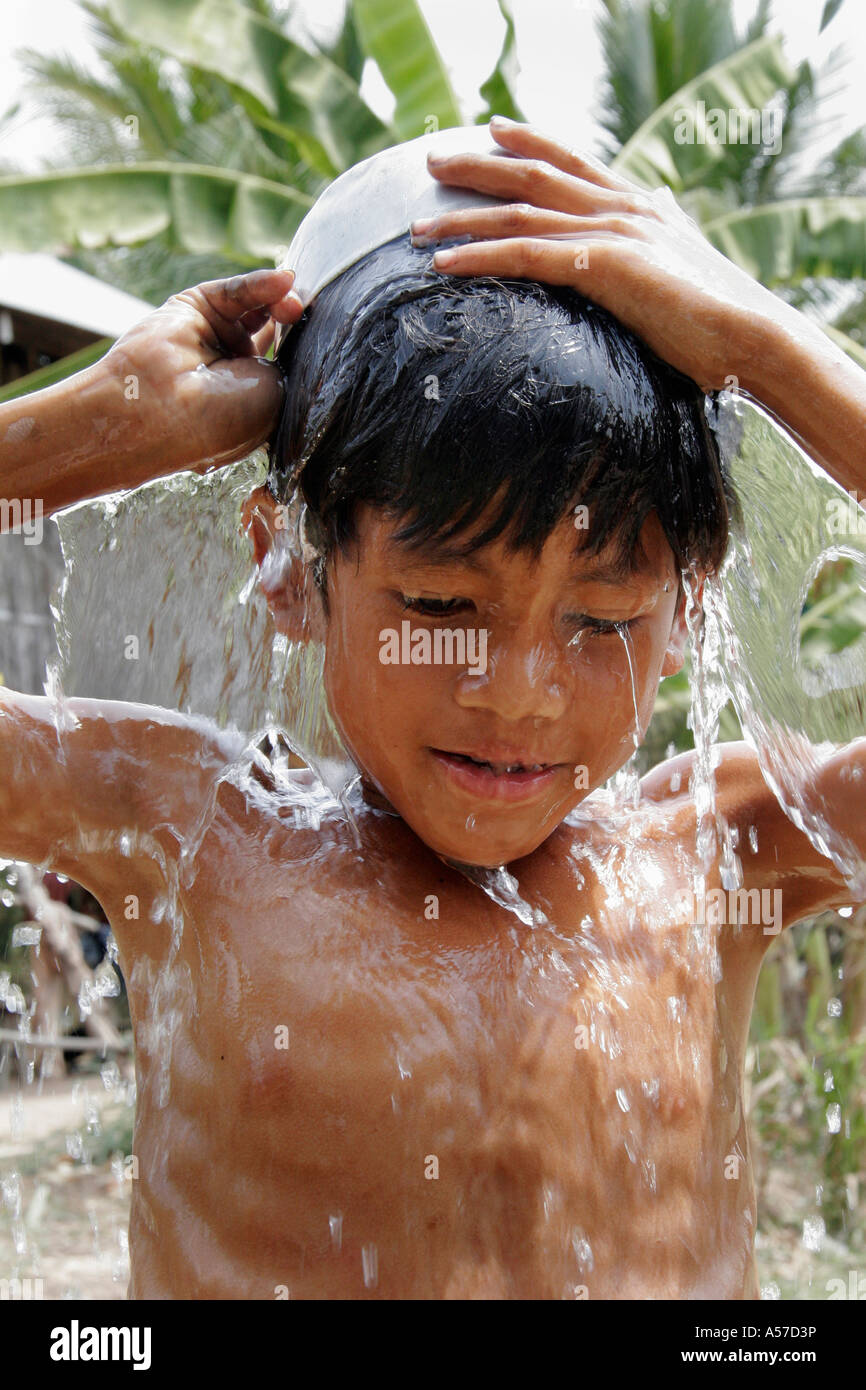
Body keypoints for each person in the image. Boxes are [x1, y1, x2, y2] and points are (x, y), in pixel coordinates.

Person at [1, 117, 865, 1299]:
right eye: (441, 603)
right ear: (288, 569)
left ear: (685, 614)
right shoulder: (187, 831)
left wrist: (762, 345)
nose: (516, 690)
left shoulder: (724, 849)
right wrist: (88, 427)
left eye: (603, 619)